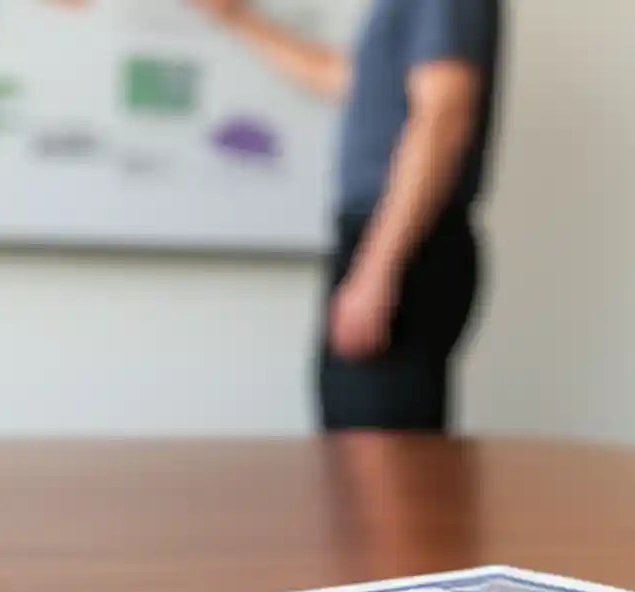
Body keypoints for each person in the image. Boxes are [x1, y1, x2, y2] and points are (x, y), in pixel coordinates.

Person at [192, 0, 503, 433]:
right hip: (383, 238)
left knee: (378, 452)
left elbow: (444, 112)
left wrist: (377, 271)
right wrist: (239, 20)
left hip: (404, 240)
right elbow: (350, 80)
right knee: (354, 441)